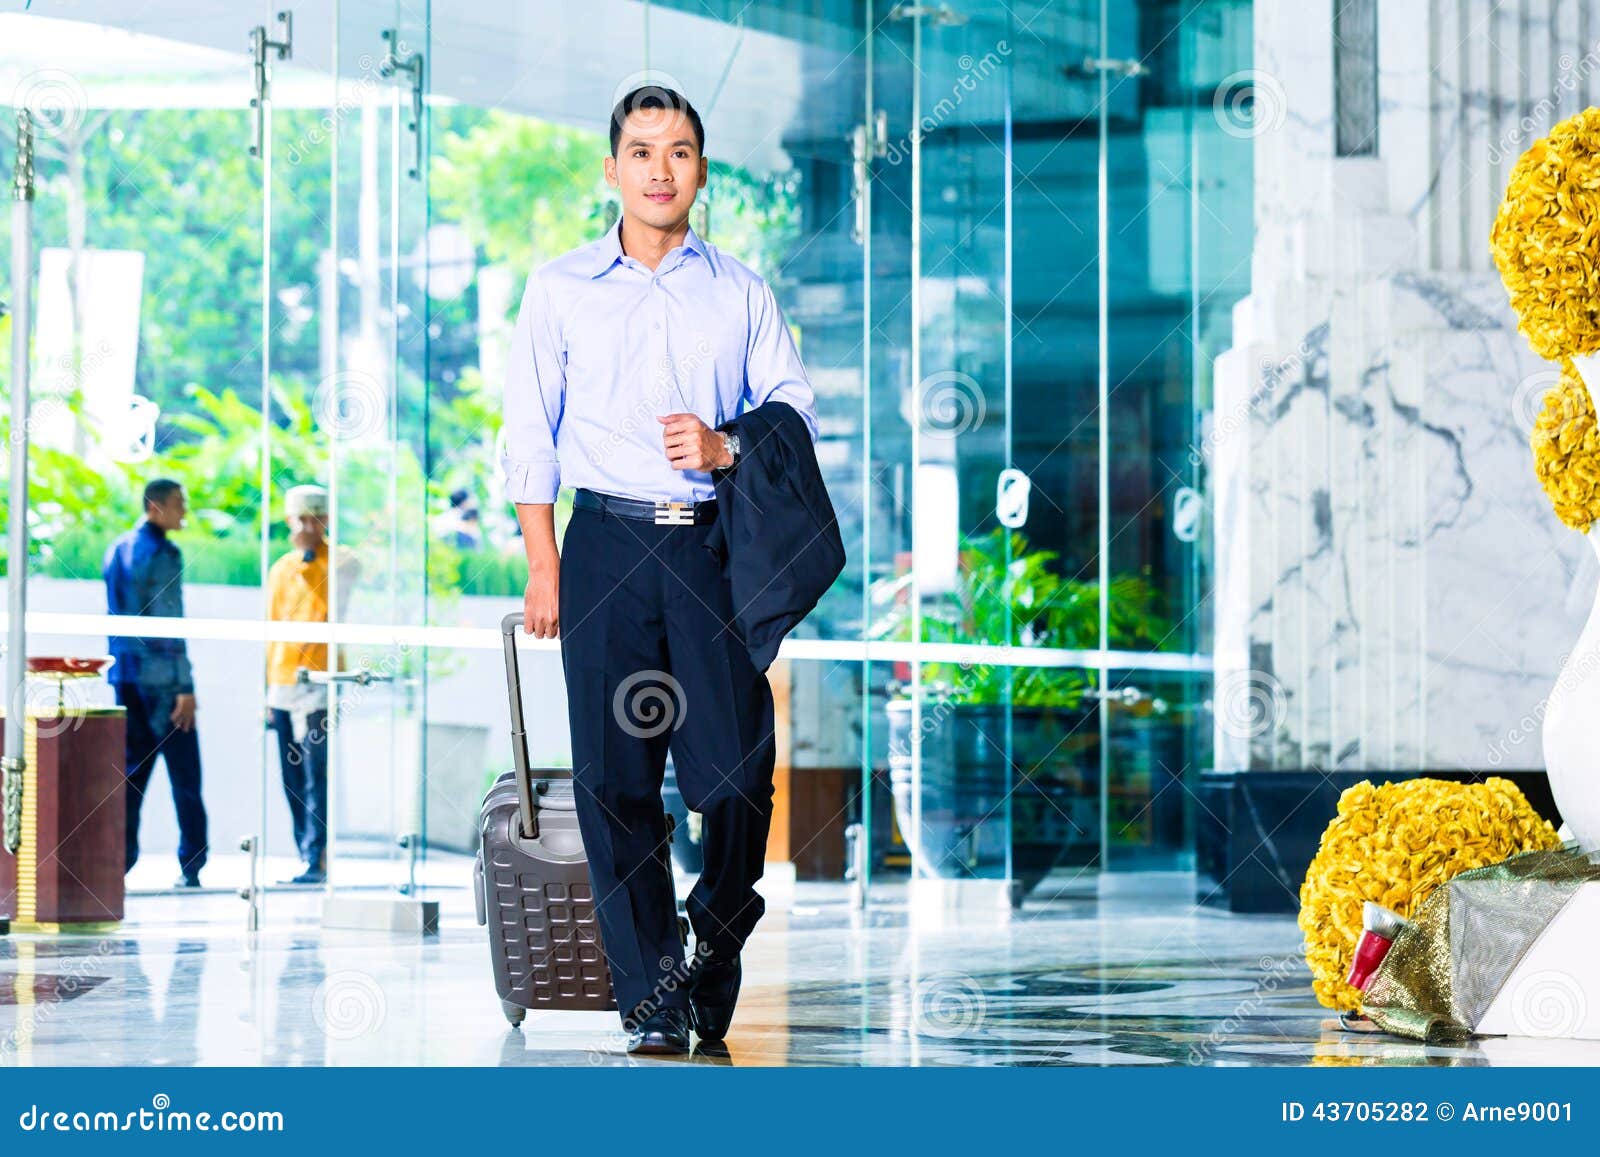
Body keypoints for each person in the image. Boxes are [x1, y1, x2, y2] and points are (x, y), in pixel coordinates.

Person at [501, 85, 819, 1056]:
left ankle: (710, 941)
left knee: (736, 778)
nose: (659, 169)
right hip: (602, 548)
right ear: (613, 169)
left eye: (678, 151)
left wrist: (726, 446)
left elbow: (794, 407)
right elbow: (528, 434)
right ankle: (650, 996)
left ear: (701, 171)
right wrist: (544, 564)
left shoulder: (740, 290)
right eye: (640, 151)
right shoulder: (559, 288)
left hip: (706, 549)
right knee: (616, 781)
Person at [104, 478, 208, 887]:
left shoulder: (117, 549)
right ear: (155, 506)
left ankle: (118, 865)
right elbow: (168, 623)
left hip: (126, 678)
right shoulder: (164, 554)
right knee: (186, 778)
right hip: (163, 685)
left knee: (131, 776)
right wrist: (184, 686)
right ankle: (192, 865)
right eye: (179, 503)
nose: (184, 511)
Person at [264, 484, 358, 885]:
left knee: (315, 771)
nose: (307, 527)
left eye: (315, 519)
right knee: (290, 774)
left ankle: (317, 855)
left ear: (327, 520)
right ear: (289, 521)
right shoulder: (280, 569)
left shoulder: (342, 561)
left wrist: (309, 558)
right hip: (283, 681)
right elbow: (271, 629)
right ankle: (304, 852)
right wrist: (267, 691)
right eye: (300, 519)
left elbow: (328, 605)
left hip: (321, 681)